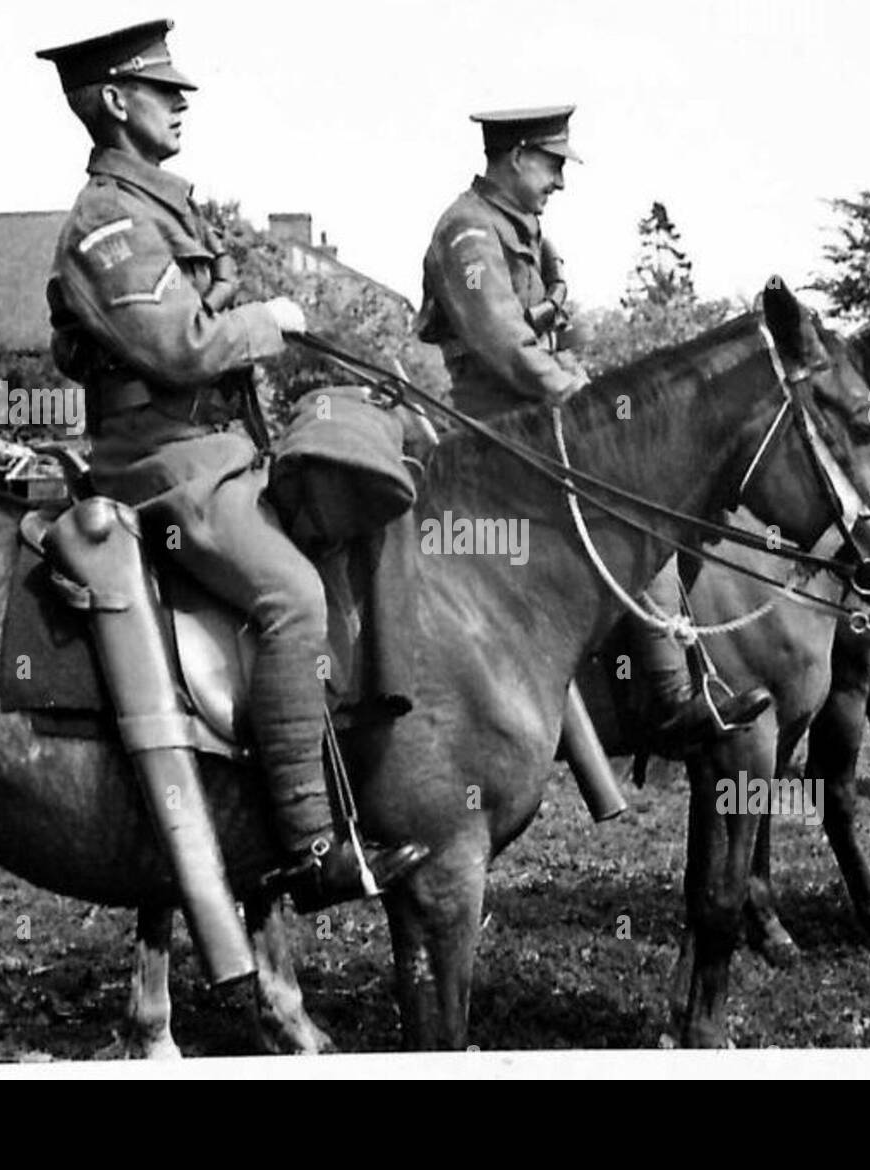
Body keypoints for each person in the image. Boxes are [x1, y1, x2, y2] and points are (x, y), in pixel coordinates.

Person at [37, 20, 426, 910]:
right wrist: (267, 321)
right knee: (291, 597)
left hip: (211, 445)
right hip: (161, 461)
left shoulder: (157, 204)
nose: (180, 103)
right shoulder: (108, 221)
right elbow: (178, 347)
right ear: (112, 103)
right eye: (161, 90)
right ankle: (308, 848)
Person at [416, 107, 770, 752]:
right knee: (631, 510)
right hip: (497, 433)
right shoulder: (468, 232)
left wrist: (580, 374)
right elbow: (505, 345)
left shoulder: (523, 232)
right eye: (553, 164)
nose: (560, 181)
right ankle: (667, 705)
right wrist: (588, 406)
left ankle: (662, 683)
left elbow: (556, 333)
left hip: (534, 421)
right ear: (518, 156)